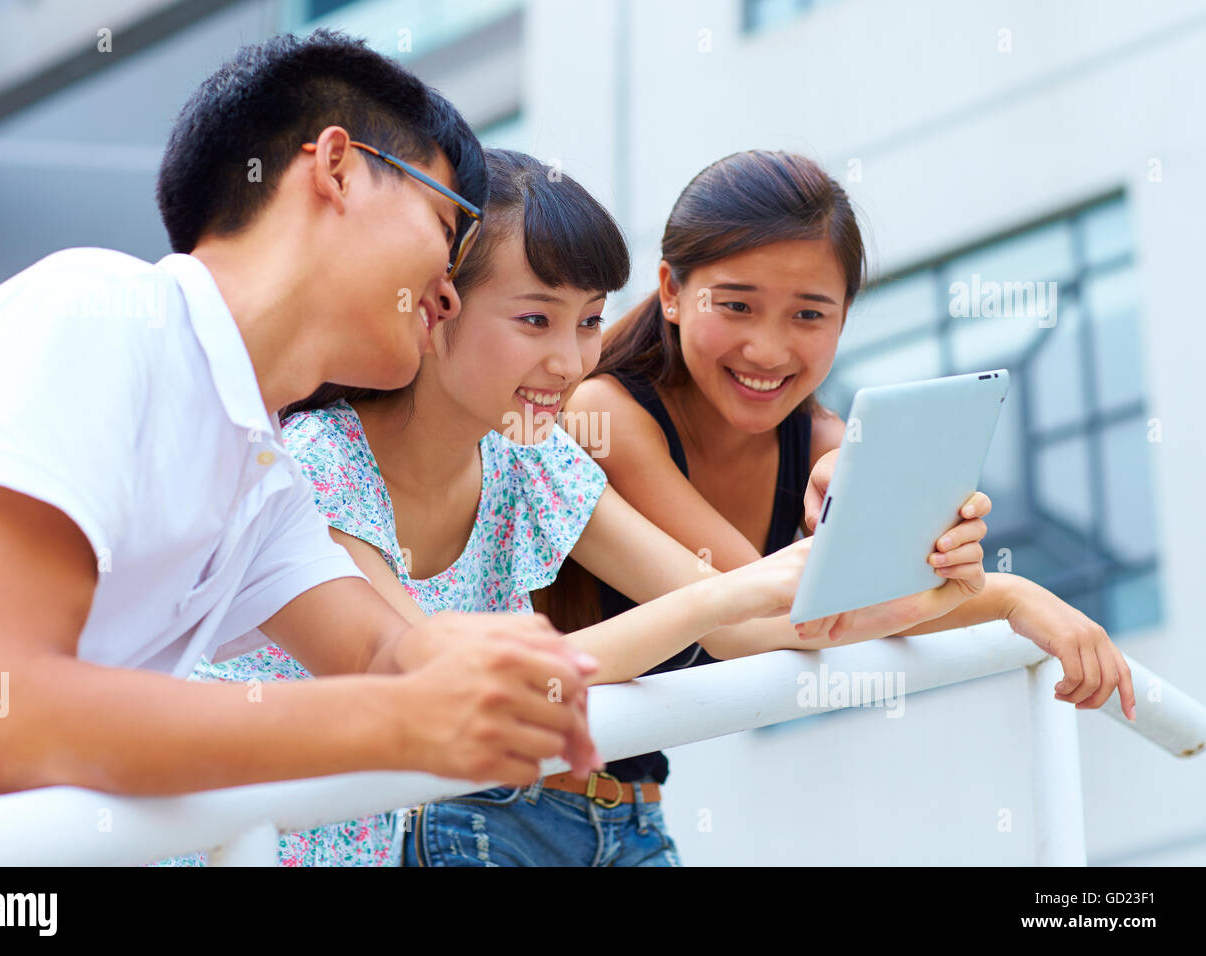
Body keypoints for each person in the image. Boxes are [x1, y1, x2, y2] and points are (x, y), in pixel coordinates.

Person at [181, 149, 995, 867]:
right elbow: (445, 675)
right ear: (436, 306)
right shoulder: (321, 459)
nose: (571, 362)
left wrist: (941, 595)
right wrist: (732, 591)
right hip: (238, 844)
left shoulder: (530, 458)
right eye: (536, 319)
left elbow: (742, 630)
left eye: (591, 322)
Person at [0, 31, 601, 817]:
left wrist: (498, 657)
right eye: (447, 232)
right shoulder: (101, 312)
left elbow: (382, 653)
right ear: (336, 168)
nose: (448, 294)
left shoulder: (262, 471)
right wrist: (404, 721)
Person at [553, 148, 1136, 793]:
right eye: (738, 306)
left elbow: (870, 610)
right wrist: (1007, 597)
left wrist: (953, 569)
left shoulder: (828, 444)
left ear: (844, 317)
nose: (768, 349)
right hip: (494, 806)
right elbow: (745, 624)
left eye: (808, 314)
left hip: (633, 809)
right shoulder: (602, 415)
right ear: (671, 292)